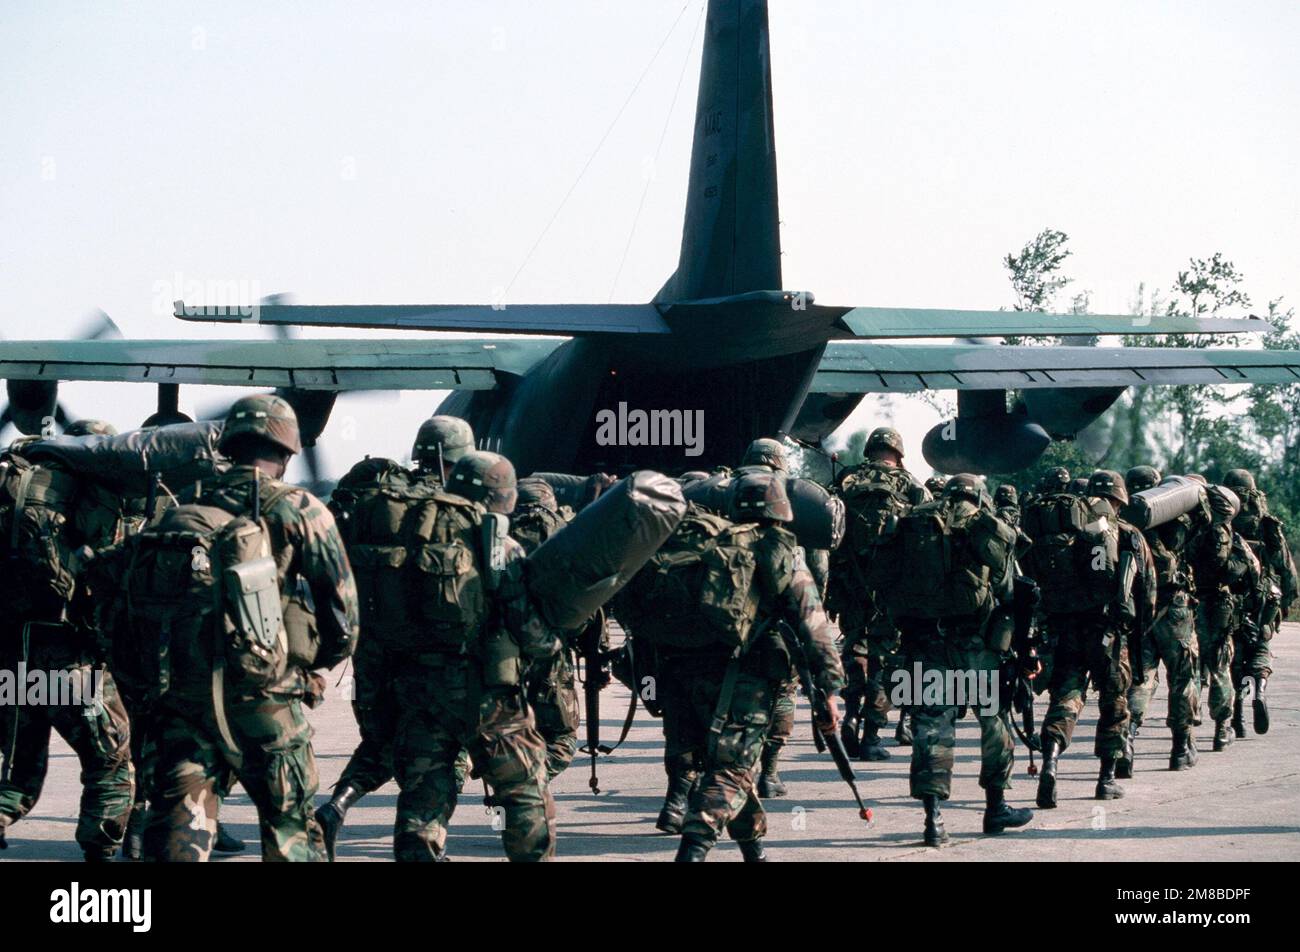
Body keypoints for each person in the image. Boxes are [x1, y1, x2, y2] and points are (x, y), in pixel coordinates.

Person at [141, 395, 358, 861]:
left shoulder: (188, 505)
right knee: (290, 827)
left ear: (230, 444)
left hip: (187, 696)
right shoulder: (300, 508)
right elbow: (343, 617)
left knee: (180, 828)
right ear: (286, 450)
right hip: (267, 699)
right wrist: (306, 669)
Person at [316, 415, 475, 858]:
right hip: (436, 662)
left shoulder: (371, 504)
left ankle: (335, 805)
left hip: (372, 655)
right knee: (438, 755)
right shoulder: (455, 511)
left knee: (382, 741)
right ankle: (420, 839)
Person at [391, 450, 559, 861]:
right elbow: (531, 634)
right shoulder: (501, 545)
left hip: (420, 690)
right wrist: (551, 643)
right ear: (502, 495)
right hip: (490, 694)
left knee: (423, 796)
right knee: (523, 795)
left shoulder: (413, 535)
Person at [673, 473, 844, 861]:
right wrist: (830, 690)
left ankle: (755, 853)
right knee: (731, 771)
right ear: (781, 509)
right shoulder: (781, 551)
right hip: (748, 683)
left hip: (690, 677)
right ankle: (692, 851)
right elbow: (814, 626)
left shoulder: (710, 544)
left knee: (732, 765)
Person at [0, 425, 135, 860]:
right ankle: (99, 855)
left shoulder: (16, 488)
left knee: (19, 776)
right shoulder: (93, 492)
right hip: (67, 657)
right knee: (109, 763)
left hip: (11, 654)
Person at [879, 475, 1031, 846]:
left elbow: (885, 582)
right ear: (979, 496)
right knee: (993, 720)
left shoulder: (915, 522)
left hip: (925, 641)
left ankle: (933, 819)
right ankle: (996, 807)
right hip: (976, 643)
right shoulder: (984, 525)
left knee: (931, 726)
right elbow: (1010, 589)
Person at [1032, 470, 1153, 806]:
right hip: (1109, 636)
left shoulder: (1069, 534)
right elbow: (1147, 595)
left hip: (1067, 630)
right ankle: (1106, 779)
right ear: (1120, 498)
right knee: (1114, 705)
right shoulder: (1128, 534)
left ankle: (1050, 763)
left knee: (1066, 699)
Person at [826, 427, 929, 760]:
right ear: (898, 454)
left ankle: (852, 711)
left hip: (849, 583)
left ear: (869, 450)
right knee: (882, 659)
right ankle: (871, 737)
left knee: (853, 645)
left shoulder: (846, 480)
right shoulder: (912, 485)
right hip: (890, 590)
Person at [1122, 466, 1201, 770]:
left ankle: (1127, 740)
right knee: (1183, 676)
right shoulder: (1175, 519)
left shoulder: (1121, 522)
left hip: (1139, 610)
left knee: (1141, 678)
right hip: (1174, 607)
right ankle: (1181, 748)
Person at [510, 477, 580, 781]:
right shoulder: (564, 532)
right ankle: (525, 785)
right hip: (551, 648)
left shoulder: (493, 534)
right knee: (562, 736)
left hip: (498, 648)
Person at [1222, 469, 1297, 736]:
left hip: (1229, 598)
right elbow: (1286, 567)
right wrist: (1286, 601)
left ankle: (1238, 719)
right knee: (1260, 650)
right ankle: (1260, 690)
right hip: (1263, 600)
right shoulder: (1267, 525)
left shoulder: (1221, 522)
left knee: (1234, 658)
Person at [1188, 485, 1255, 752]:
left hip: (1190, 603)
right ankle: (1221, 727)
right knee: (1218, 667)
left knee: (1190, 669)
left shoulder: (1190, 526)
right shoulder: (1220, 532)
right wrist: (1241, 559)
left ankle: (1186, 730)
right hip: (1216, 604)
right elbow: (1224, 571)